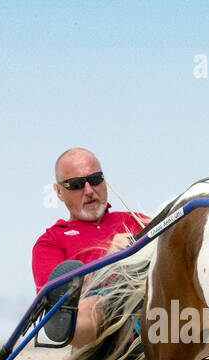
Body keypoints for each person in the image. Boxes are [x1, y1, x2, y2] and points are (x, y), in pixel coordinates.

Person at [32, 148, 144, 347]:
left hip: (157, 299)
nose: (89, 191)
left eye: (95, 179)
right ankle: (72, 328)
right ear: (59, 192)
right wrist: (107, 264)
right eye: (75, 185)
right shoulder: (52, 240)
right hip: (101, 308)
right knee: (94, 303)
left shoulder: (137, 221)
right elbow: (52, 297)